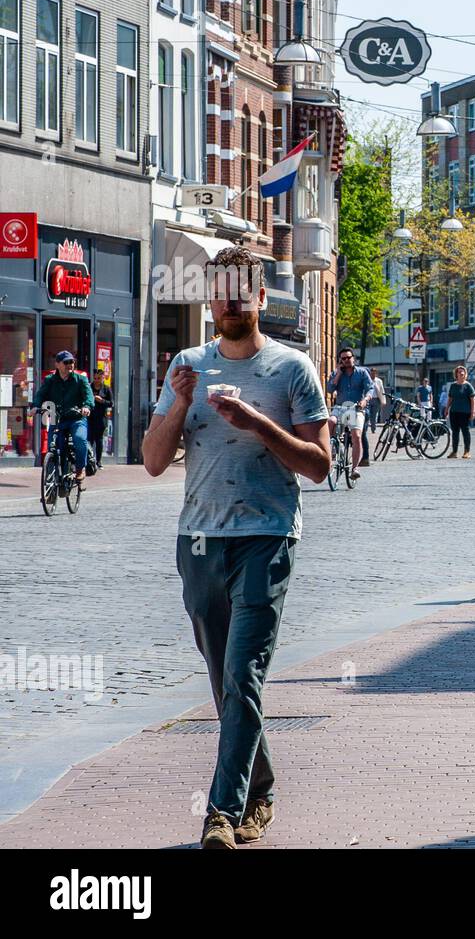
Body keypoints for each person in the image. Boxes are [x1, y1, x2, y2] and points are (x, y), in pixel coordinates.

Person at [140, 245, 330, 848]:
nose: (227, 301)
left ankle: (221, 812)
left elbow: (320, 465)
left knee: (244, 670)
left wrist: (258, 425)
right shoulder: (187, 365)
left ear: (260, 297)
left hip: (267, 535)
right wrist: (180, 403)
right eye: (218, 290)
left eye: (239, 291)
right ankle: (262, 789)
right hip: (198, 537)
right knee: (226, 678)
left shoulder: (292, 369)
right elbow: (151, 461)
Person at [34, 351, 93, 485]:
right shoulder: (50, 380)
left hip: (76, 418)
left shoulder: (80, 379)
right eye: (66, 362)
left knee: (79, 439)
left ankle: (80, 468)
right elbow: (41, 394)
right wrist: (35, 406)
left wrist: (87, 407)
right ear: (57, 364)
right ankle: (50, 479)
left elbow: (88, 396)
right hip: (57, 418)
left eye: (71, 362)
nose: (69, 365)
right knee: (53, 446)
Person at [326, 348, 373, 478]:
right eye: (343, 358)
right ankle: (332, 449)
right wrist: (339, 375)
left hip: (356, 408)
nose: (346, 360)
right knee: (330, 421)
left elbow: (370, 389)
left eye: (348, 357)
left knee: (356, 435)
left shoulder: (362, 373)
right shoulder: (336, 373)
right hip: (340, 407)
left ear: (354, 358)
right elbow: (330, 389)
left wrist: (365, 400)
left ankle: (355, 469)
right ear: (340, 361)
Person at [447, 365, 475, 458]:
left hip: (465, 413)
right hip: (454, 412)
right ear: (456, 374)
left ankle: (467, 451)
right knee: (455, 432)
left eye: (463, 372)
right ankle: (454, 452)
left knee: (465, 431)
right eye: (459, 372)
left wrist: (473, 412)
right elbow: (450, 398)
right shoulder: (453, 386)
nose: (461, 373)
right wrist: (446, 409)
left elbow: (473, 400)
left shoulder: (468, 386)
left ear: (465, 374)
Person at [87, 367, 113, 466]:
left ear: (103, 378)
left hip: (101, 418)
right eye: (95, 378)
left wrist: (102, 400)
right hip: (90, 418)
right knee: (89, 439)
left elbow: (111, 403)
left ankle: (98, 461)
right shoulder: (89, 387)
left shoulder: (106, 389)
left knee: (99, 440)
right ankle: (89, 460)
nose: (96, 380)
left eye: (98, 378)